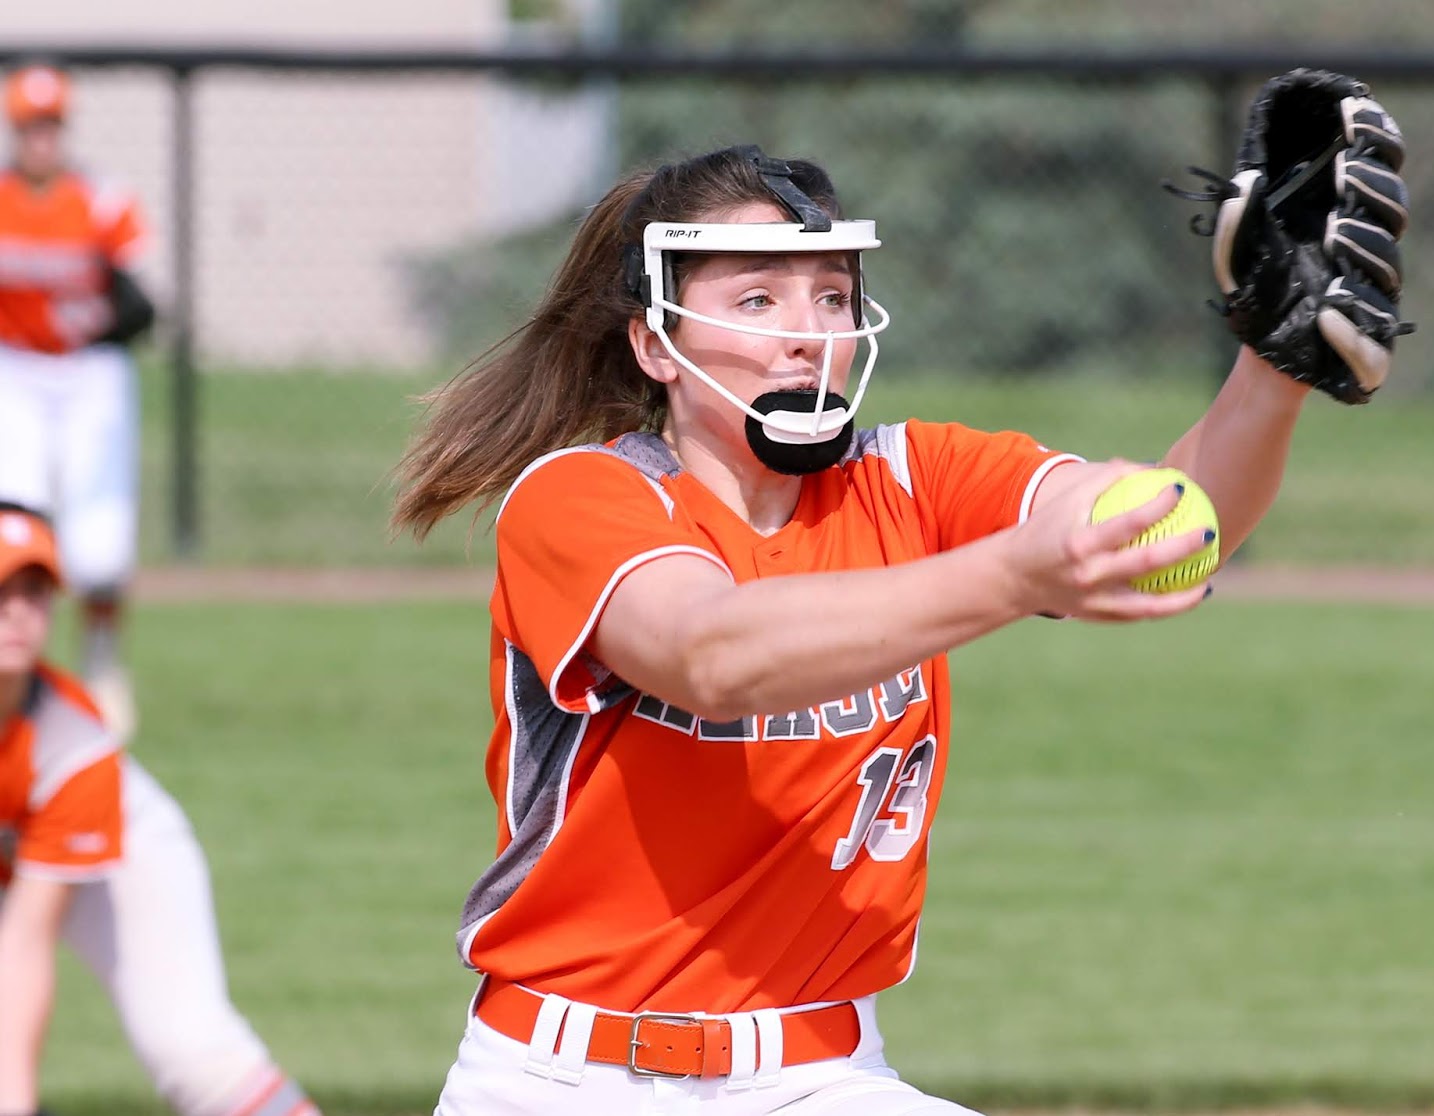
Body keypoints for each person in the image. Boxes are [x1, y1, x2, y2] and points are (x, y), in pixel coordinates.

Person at [388, 143, 1326, 1115]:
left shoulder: (912, 477)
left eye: (832, 297)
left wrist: (1273, 368)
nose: (808, 333)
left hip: (822, 1080)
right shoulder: (583, 496)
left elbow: (1165, 527)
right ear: (656, 345)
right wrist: (1013, 573)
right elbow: (709, 654)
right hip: (565, 1081)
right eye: (758, 300)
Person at [0, 502, 321, 1116]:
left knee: (192, 1050)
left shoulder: (73, 743)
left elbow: (23, 946)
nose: (17, 611)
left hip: (121, 851)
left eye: (33, 590)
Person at [0, 63, 156, 741]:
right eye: (30, 127)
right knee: (15, 524)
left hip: (89, 372)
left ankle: (100, 667)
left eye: (51, 126)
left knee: (99, 550)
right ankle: (18, 679)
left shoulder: (101, 202)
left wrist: (125, 309)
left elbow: (140, 303)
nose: (41, 139)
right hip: (14, 370)